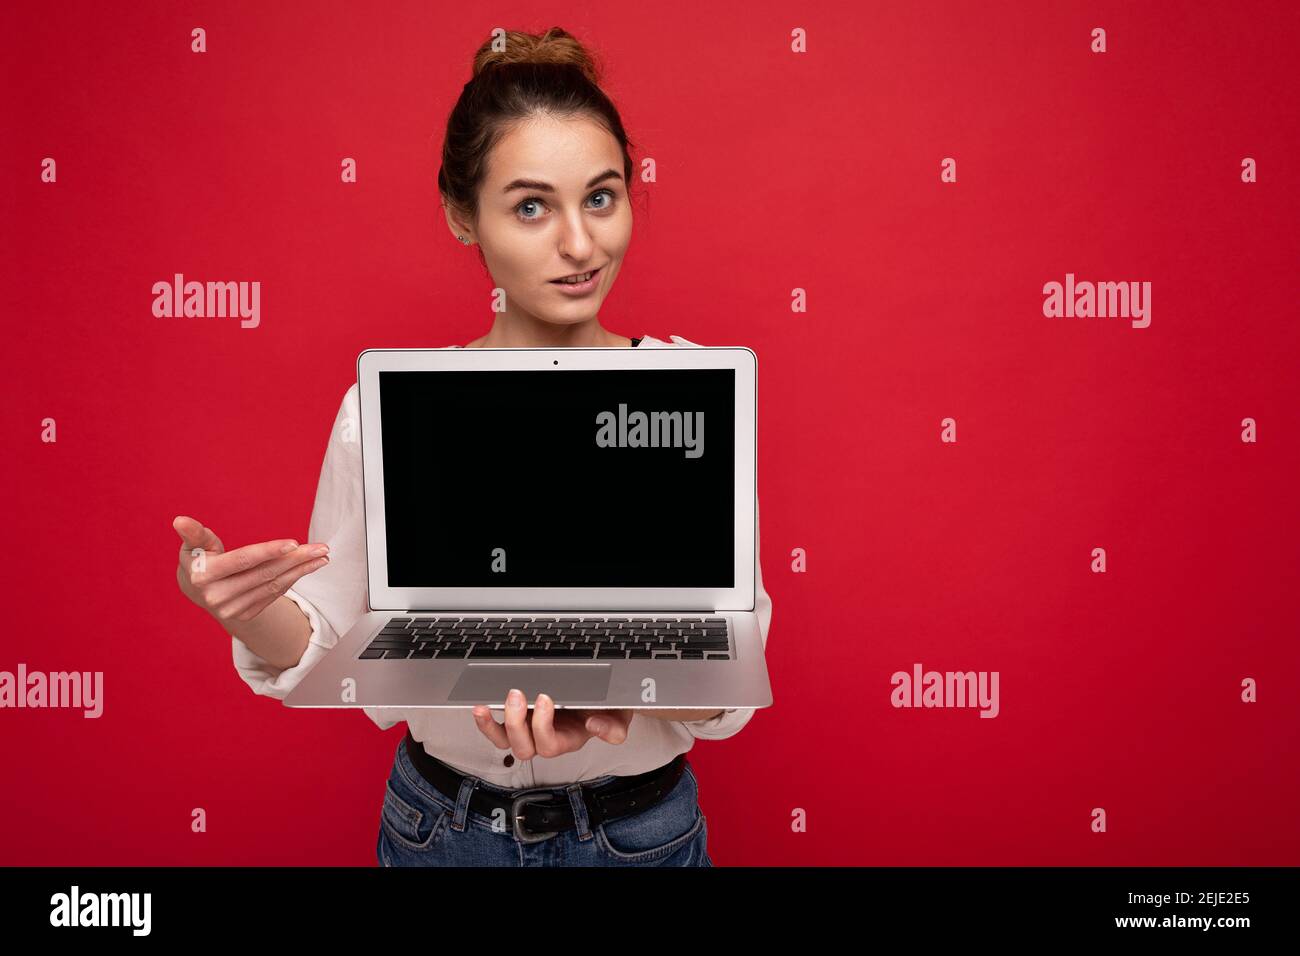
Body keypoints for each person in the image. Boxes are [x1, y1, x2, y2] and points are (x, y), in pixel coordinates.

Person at [172, 26, 772, 867]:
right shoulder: (384, 413)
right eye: (532, 205)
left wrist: (630, 694)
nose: (579, 244)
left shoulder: (684, 390)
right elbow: (329, 643)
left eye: (600, 197)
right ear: (463, 216)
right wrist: (234, 605)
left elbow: (729, 678)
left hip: (643, 836)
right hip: (442, 835)